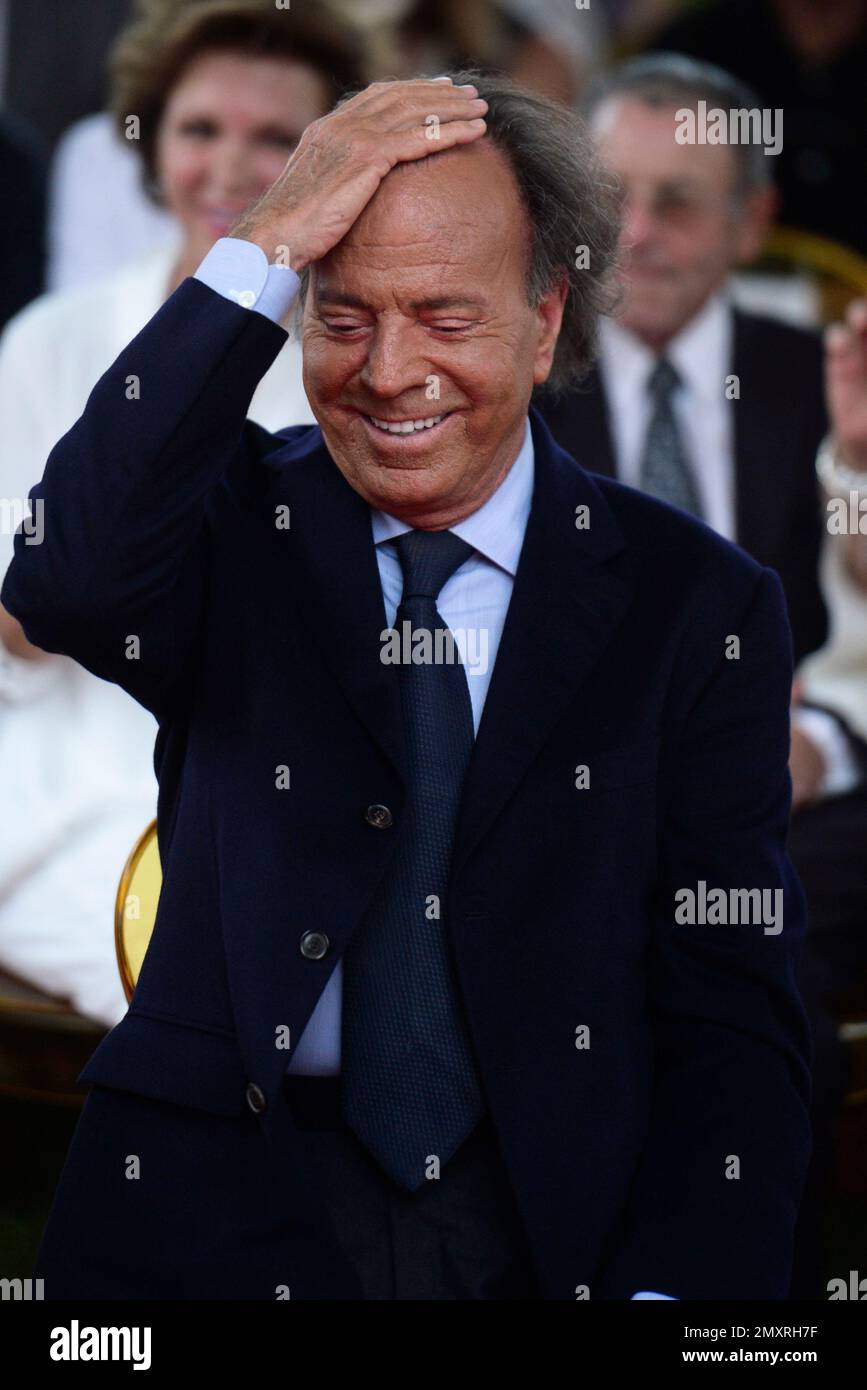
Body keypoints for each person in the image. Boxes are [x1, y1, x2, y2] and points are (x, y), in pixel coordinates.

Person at [4, 73, 813, 1301]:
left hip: (551, 1216)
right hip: (211, 1195)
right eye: (342, 316)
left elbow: (729, 1002)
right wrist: (266, 239)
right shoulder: (231, 523)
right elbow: (64, 578)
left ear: (546, 323)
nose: (388, 374)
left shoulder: (697, 605)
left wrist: (675, 1296)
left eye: (444, 317)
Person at [0, 0, 360, 1022]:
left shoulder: (366, 350)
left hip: (306, 760)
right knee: (203, 972)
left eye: (277, 141)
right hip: (74, 767)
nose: (233, 169)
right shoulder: (54, 340)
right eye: (201, 128)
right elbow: (22, 608)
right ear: (153, 141)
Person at [536, 53, 828, 669]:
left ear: (750, 223)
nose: (636, 233)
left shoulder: (827, 384)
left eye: (678, 203)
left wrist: (820, 738)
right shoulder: (514, 376)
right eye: (611, 198)